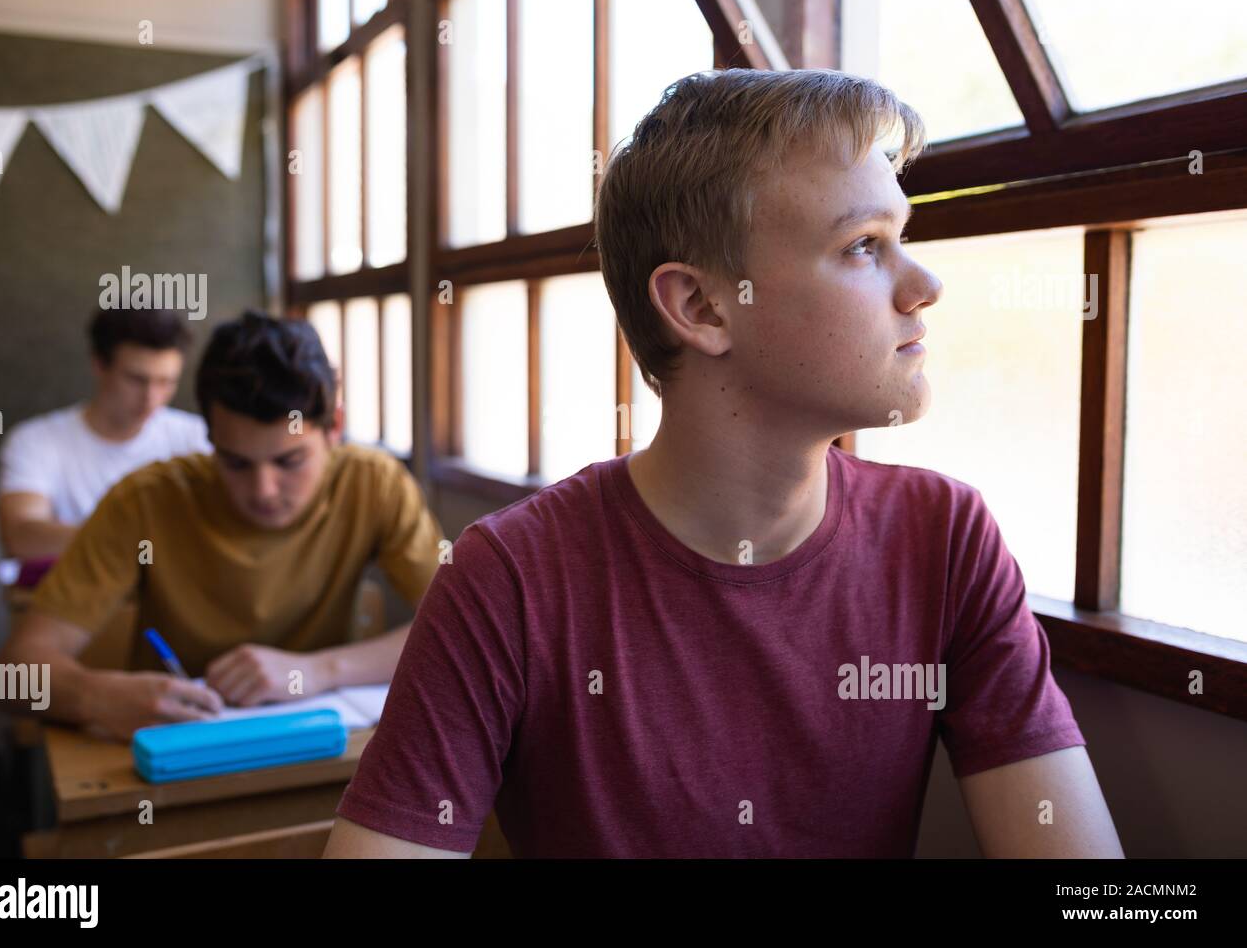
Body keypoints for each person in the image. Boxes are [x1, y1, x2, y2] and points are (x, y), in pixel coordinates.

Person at [326, 69, 1124, 858]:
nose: (924, 284)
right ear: (703, 307)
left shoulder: (944, 537)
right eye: (863, 246)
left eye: (901, 237)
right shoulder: (511, 577)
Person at [0, 311, 445, 742]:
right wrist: (94, 697)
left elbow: (457, 627)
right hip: (177, 760)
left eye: (289, 461)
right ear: (209, 437)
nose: (264, 490)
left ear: (335, 429)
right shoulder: (144, 501)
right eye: (236, 463)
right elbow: (13, 674)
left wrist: (316, 670)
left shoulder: (375, 483)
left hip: (325, 754)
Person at [0, 308, 210, 560]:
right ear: (99, 365)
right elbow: (22, 537)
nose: (151, 397)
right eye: (136, 379)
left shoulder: (197, 437)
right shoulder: (35, 441)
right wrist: (146, 539)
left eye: (166, 381)